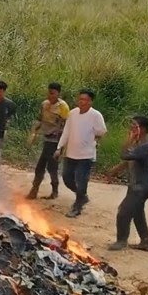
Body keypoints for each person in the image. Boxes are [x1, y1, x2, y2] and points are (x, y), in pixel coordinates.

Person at [106, 116, 148, 251]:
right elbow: (130, 160)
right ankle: (145, 242)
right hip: (136, 184)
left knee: (123, 211)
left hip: (142, 186)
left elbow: (125, 155)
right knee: (137, 212)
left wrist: (127, 141)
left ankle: (121, 240)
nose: (131, 129)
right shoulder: (139, 143)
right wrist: (116, 169)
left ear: (143, 129)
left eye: (135, 127)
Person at [55, 89, 107, 218]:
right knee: (67, 178)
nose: (81, 102)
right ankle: (82, 196)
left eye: (84, 100)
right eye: (80, 99)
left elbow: (102, 132)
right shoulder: (72, 113)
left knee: (81, 181)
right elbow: (66, 132)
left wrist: (95, 140)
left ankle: (77, 206)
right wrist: (59, 147)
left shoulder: (95, 115)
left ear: (90, 101)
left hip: (86, 155)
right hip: (71, 153)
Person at [27, 83, 71, 199]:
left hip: (55, 141)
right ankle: (36, 189)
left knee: (50, 167)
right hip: (47, 139)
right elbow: (39, 119)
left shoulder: (63, 107)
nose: (50, 95)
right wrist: (34, 133)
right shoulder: (44, 104)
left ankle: (51, 190)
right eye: (49, 92)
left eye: (53, 93)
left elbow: (67, 126)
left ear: (58, 94)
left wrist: (61, 147)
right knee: (44, 166)